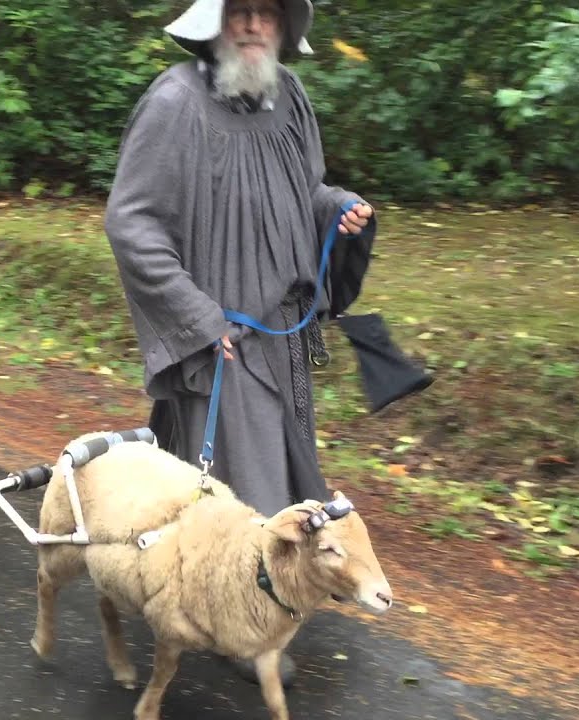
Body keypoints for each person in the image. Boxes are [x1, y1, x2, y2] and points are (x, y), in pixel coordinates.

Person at [103, 0, 377, 686]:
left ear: (285, 26)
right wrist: (197, 321)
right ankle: (232, 621)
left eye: (267, 12)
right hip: (223, 347)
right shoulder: (174, 103)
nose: (254, 25)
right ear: (215, 23)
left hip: (281, 341)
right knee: (240, 492)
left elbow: (301, 194)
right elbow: (130, 223)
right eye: (241, 11)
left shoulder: (292, 98)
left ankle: (248, 609)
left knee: (281, 481)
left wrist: (336, 209)